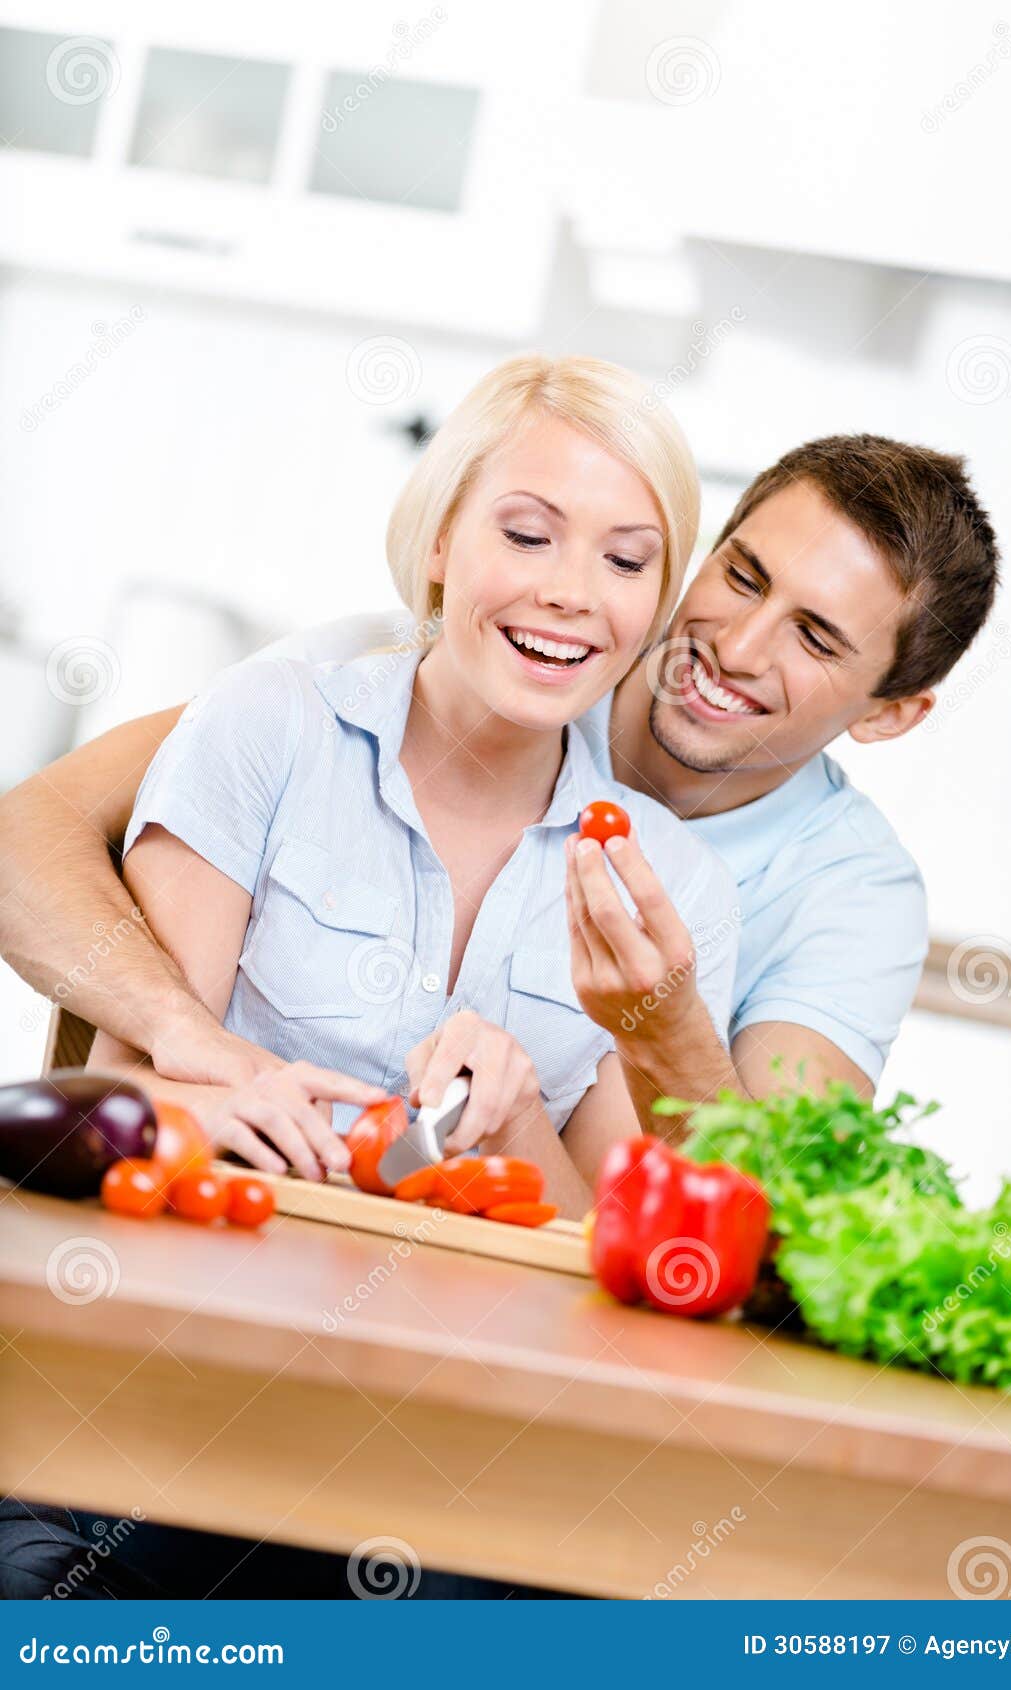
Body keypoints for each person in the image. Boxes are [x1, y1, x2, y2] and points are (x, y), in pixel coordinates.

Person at [0, 432, 998, 1134]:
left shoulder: (849, 894)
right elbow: (27, 835)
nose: (734, 647)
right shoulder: (419, 670)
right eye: (739, 577)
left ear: (886, 712)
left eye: (813, 637)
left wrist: (666, 1029)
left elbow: (777, 1228)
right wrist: (182, 1035)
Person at [28, 353, 734, 1218]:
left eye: (626, 562)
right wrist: (222, 1108)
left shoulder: (676, 888)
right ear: (440, 537)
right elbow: (122, 1094)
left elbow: (595, 1249)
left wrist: (513, 1124)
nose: (571, 593)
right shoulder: (270, 725)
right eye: (524, 536)